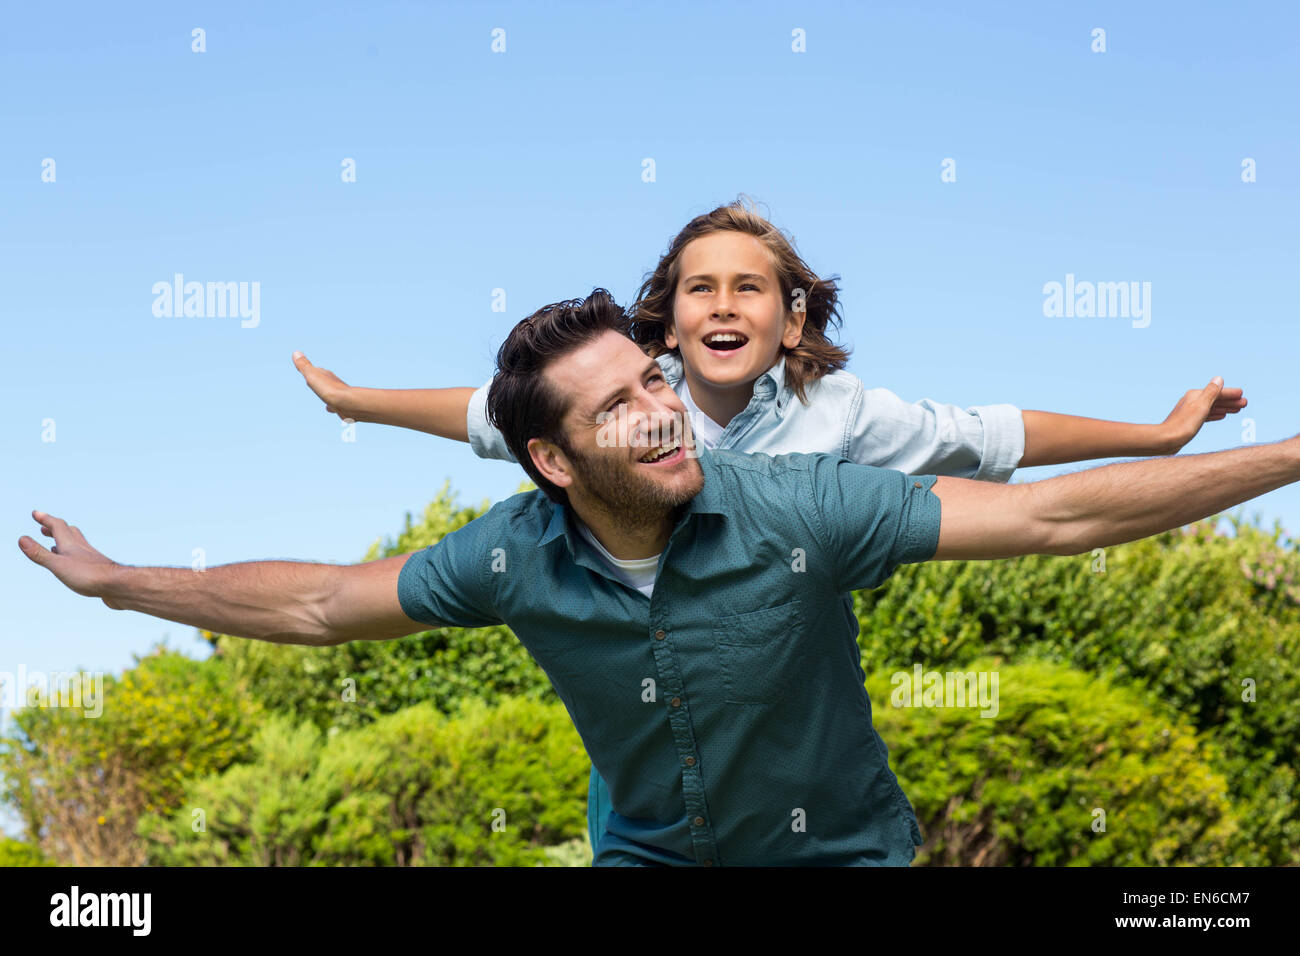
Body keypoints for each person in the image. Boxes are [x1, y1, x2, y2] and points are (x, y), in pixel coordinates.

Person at [19, 290, 1293, 866]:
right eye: (620, 404)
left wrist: (1286, 455)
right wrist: (125, 584)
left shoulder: (800, 501)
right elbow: (315, 601)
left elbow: (1052, 518)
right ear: (549, 459)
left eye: (655, 380)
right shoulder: (507, 555)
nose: (664, 410)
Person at [290, 199, 1246, 854]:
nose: (722, 304)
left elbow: (995, 438)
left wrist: (1160, 438)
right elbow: (477, 409)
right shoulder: (618, 407)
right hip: (651, 748)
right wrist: (356, 402)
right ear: (665, 322)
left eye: (749, 289)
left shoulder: (845, 416)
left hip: (778, 708)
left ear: (791, 322)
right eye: (699, 289)